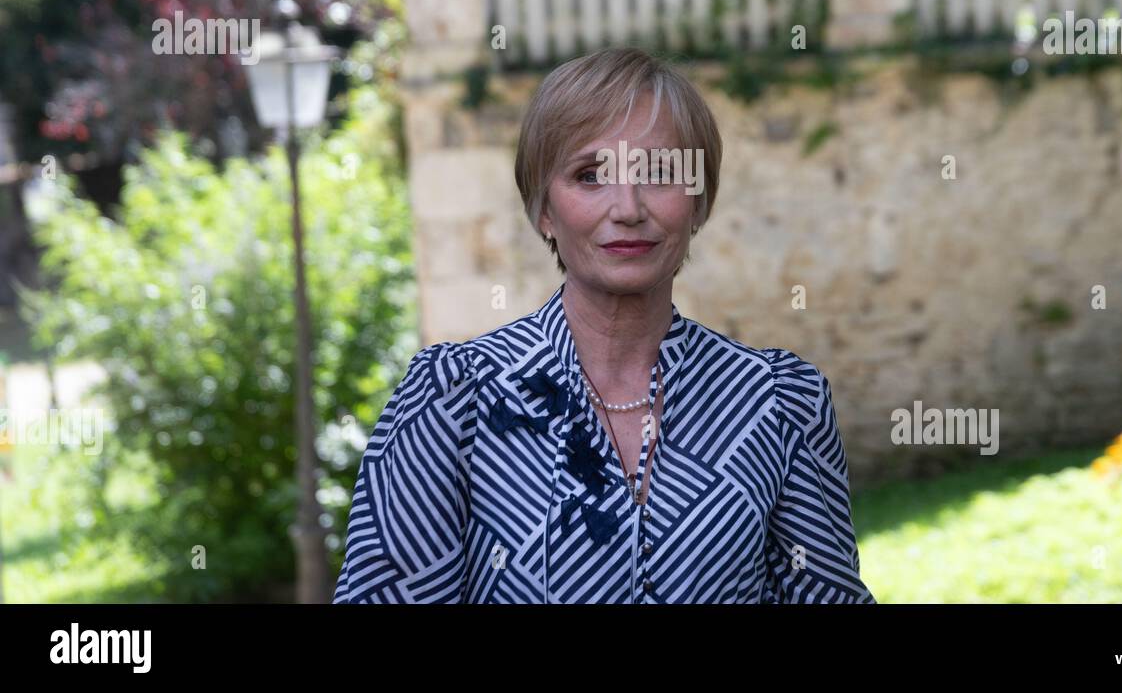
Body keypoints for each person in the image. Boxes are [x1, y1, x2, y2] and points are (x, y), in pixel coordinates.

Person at [333, 47, 875, 603]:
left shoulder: (779, 404)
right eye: (590, 175)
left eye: (660, 173)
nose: (628, 207)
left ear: (699, 201)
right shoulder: (454, 400)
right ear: (544, 208)